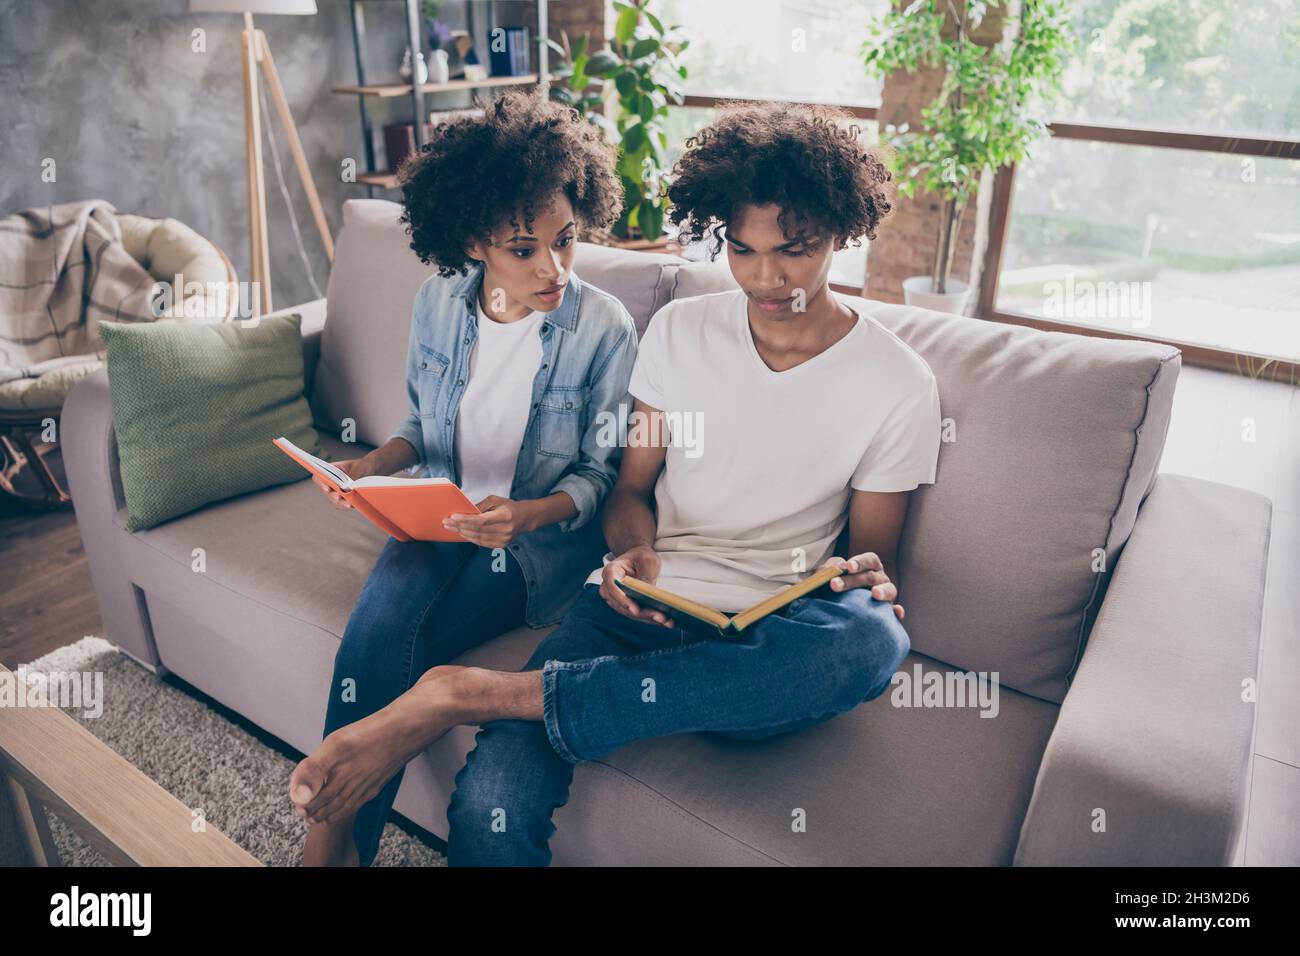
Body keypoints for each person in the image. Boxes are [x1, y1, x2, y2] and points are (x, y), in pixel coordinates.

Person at [290, 100, 942, 867]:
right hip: (640, 606)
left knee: (874, 639)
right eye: (743, 248)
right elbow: (628, 493)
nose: (767, 277)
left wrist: (862, 580)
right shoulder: (680, 332)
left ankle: (471, 692)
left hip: (771, 624)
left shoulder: (897, 382)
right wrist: (631, 555)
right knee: (492, 808)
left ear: (841, 232)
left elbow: (871, 565)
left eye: (795, 249)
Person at [294, 91, 637, 866]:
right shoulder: (438, 306)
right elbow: (419, 429)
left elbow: (596, 476)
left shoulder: (605, 328)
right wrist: (370, 467)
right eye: (525, 248)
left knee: (391, 654)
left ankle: (326, 850)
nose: (553, 267)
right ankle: (332, 850)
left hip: (531, 547)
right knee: (377, 633)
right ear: (479, 240)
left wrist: (521, 515)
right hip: (435, 517)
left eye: (566, 240)